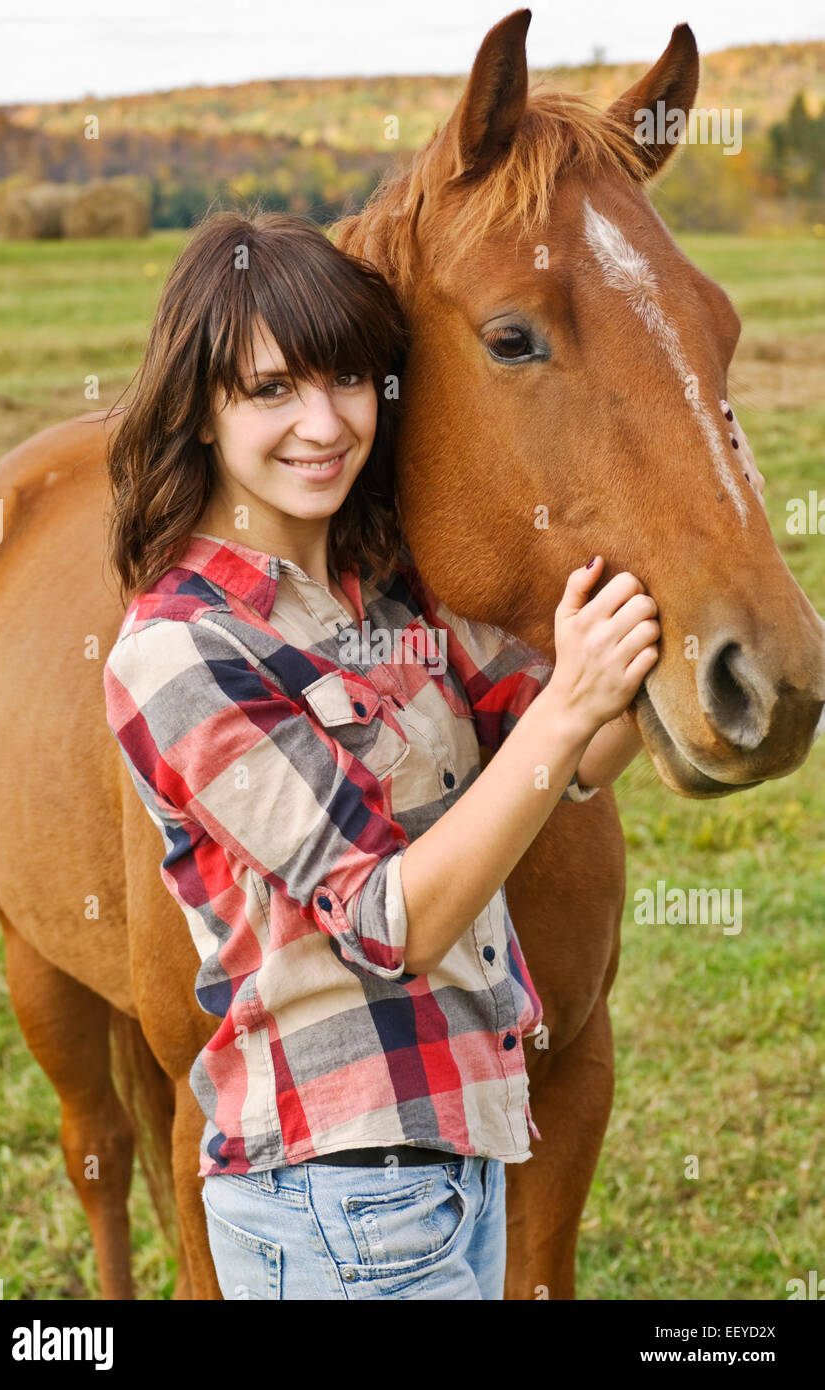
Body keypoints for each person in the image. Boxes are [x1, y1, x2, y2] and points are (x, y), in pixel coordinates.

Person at [102, 206, 755, 1301]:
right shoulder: (178, 653)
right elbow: (387, 923)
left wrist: (687, 619)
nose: (323, 423)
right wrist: (564, 713)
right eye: (271, 390)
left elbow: (571, 752)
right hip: (332, 1196)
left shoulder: (389, 596)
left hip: (461, 1159)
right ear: (200, 409)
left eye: (348, 380)